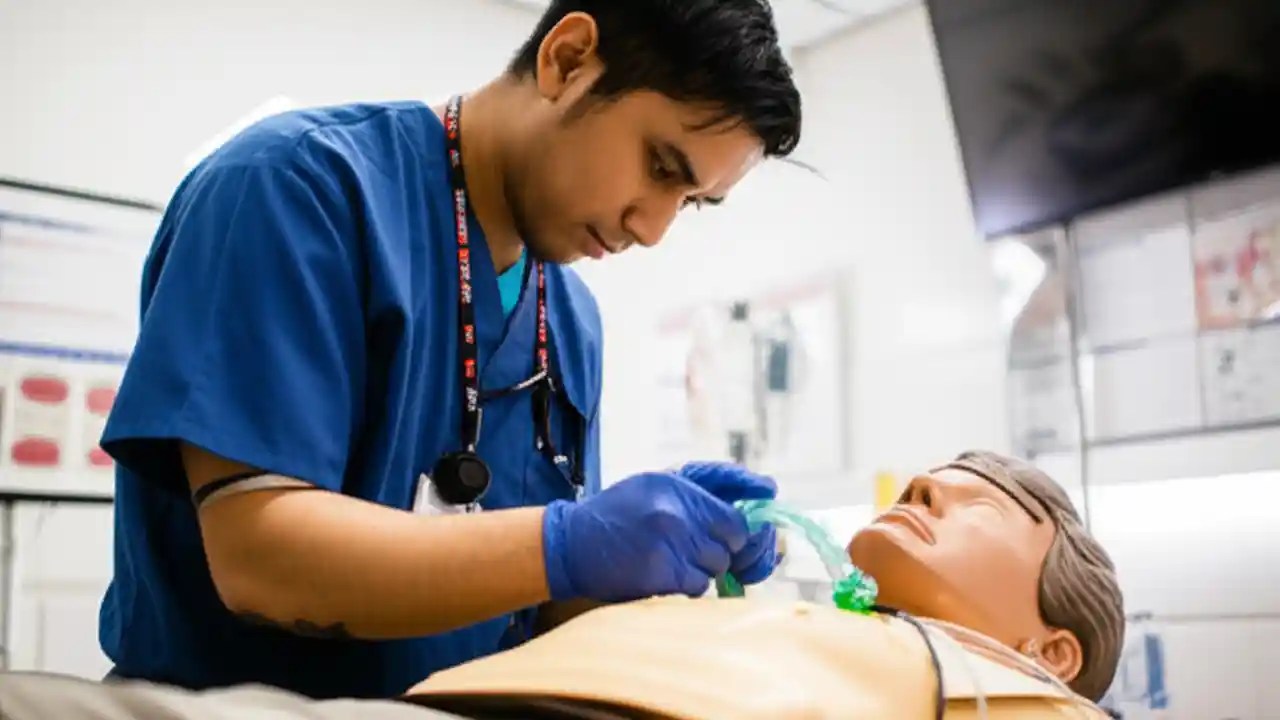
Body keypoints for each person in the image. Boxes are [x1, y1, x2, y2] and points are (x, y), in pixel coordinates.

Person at [95, 0, 801, 699]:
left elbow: (538, 604)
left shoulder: (570, 318)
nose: (653, 229)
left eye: (693, 201)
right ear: (568, 60)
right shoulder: (297, 188)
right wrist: (568, 543)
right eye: (659, 166)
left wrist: (665, 549)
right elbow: (260, 560)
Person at [3, 450, 1125, 719]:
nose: (929, 479)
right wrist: (591, 568)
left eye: (979, 499)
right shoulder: (831, 641)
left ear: (1050, 652)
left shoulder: (1014, 696)